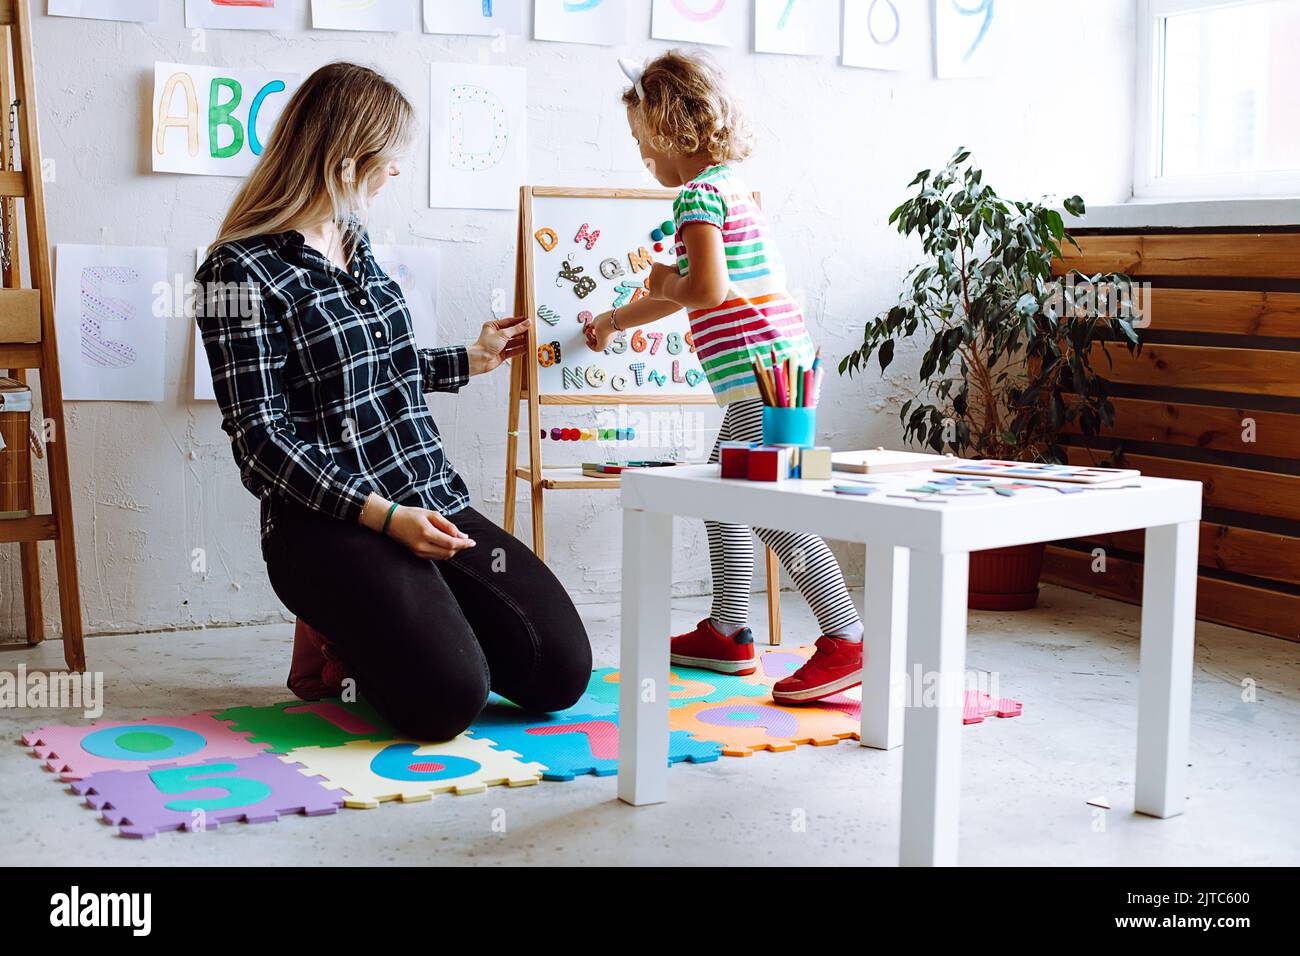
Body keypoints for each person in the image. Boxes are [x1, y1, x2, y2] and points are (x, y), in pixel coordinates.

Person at [196, 62, 591, 740]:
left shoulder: (354, 239)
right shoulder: (235, 272)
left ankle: (411, 621)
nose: (398, 172)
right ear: (345, 160)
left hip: (428, 495)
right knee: (446, 702)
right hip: (328, 524)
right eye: (391, 157)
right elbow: (261, 439)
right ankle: (347, 640)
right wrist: (383, 518)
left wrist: (468, 359)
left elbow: (374, 367)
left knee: (559, 670)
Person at [585, 51, 864, 703]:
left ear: (663, 128)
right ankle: (730, 631)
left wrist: (660, 281)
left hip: (765, 379)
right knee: (725, 497)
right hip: (772, 373)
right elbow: (698, 290)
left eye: (638, 141)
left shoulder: (698, 194)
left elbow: (705, 289)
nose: (640, 157)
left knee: (765, 506)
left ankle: (846, 638)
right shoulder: (727, 185)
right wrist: (621, 317)